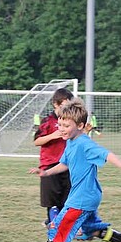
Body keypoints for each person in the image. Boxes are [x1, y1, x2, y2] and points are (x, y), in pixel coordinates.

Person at [22, 98, 121, 242]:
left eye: (66, 126)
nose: (61, 129)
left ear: (80, 126)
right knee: (90, 230)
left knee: (58, 227)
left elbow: (105, 153)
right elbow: (64, 163)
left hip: (83, 197)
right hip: (85, 196)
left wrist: (120, 164)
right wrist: (45, 173)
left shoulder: (84, 143)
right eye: (60, 125)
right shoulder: (71, 142)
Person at [30, 88, 74, 227]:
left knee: (67, 198)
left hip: (68, 164)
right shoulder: (48, 121)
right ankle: (53, 222)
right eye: (64, 105)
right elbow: (37, 141)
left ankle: (62, 223)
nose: (67, 108)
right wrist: (53, 136)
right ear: (56, 104)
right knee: (52, 199)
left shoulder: (71, 121)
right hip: (50, 164)